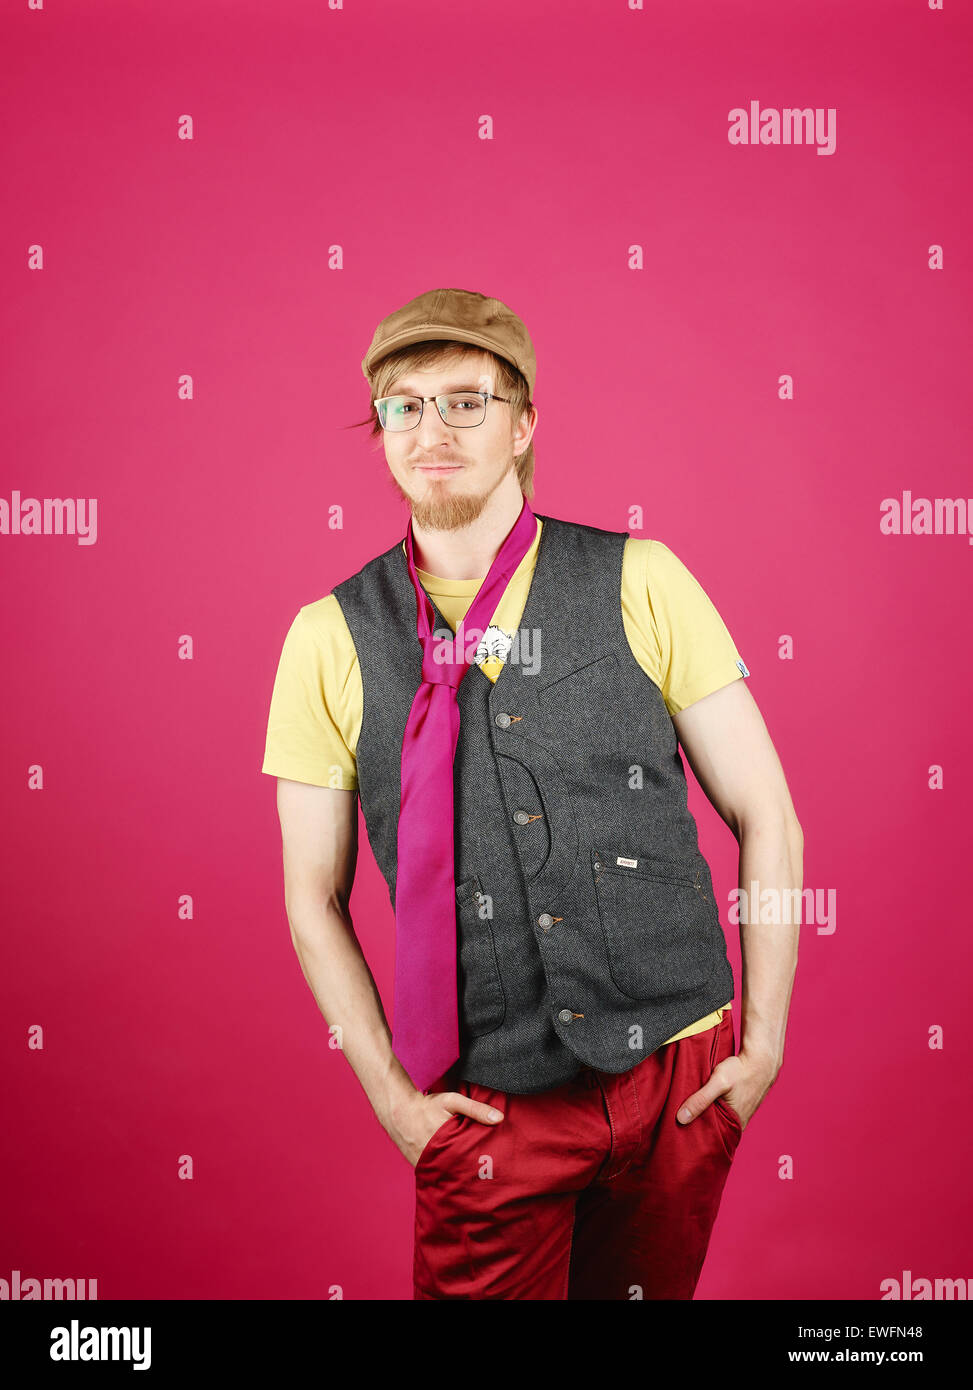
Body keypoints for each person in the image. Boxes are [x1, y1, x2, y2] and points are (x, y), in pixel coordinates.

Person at [261, 287, 803, 1300]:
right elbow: (310, 897)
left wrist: (762, 1035)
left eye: (466, 401)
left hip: (678, 1080)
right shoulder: (326, 637)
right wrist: (391, 1096)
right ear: (379, 431)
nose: (434, 431)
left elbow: (765, 811)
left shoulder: (642, 577)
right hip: (486, 1116)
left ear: (522, 422)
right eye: (405, 406)